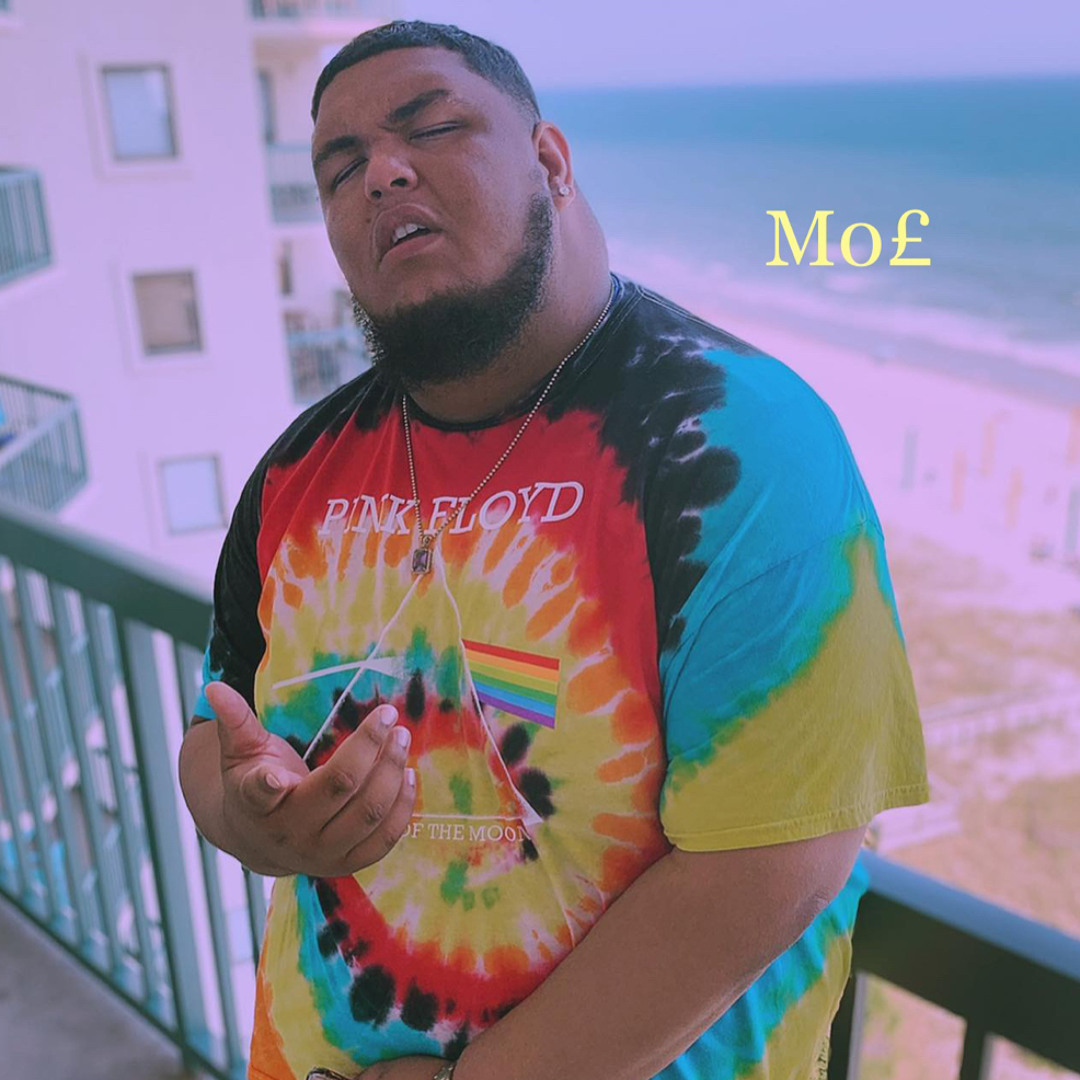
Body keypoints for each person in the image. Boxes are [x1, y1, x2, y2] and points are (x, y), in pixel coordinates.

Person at [178, 19, 931, 1080]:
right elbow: (217, 726)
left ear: (551, 161)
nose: (381, 173)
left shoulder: (742, 445)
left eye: (431, 127)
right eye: (339, 170)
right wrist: (251, 821)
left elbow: (774, 862)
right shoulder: (297, 471)